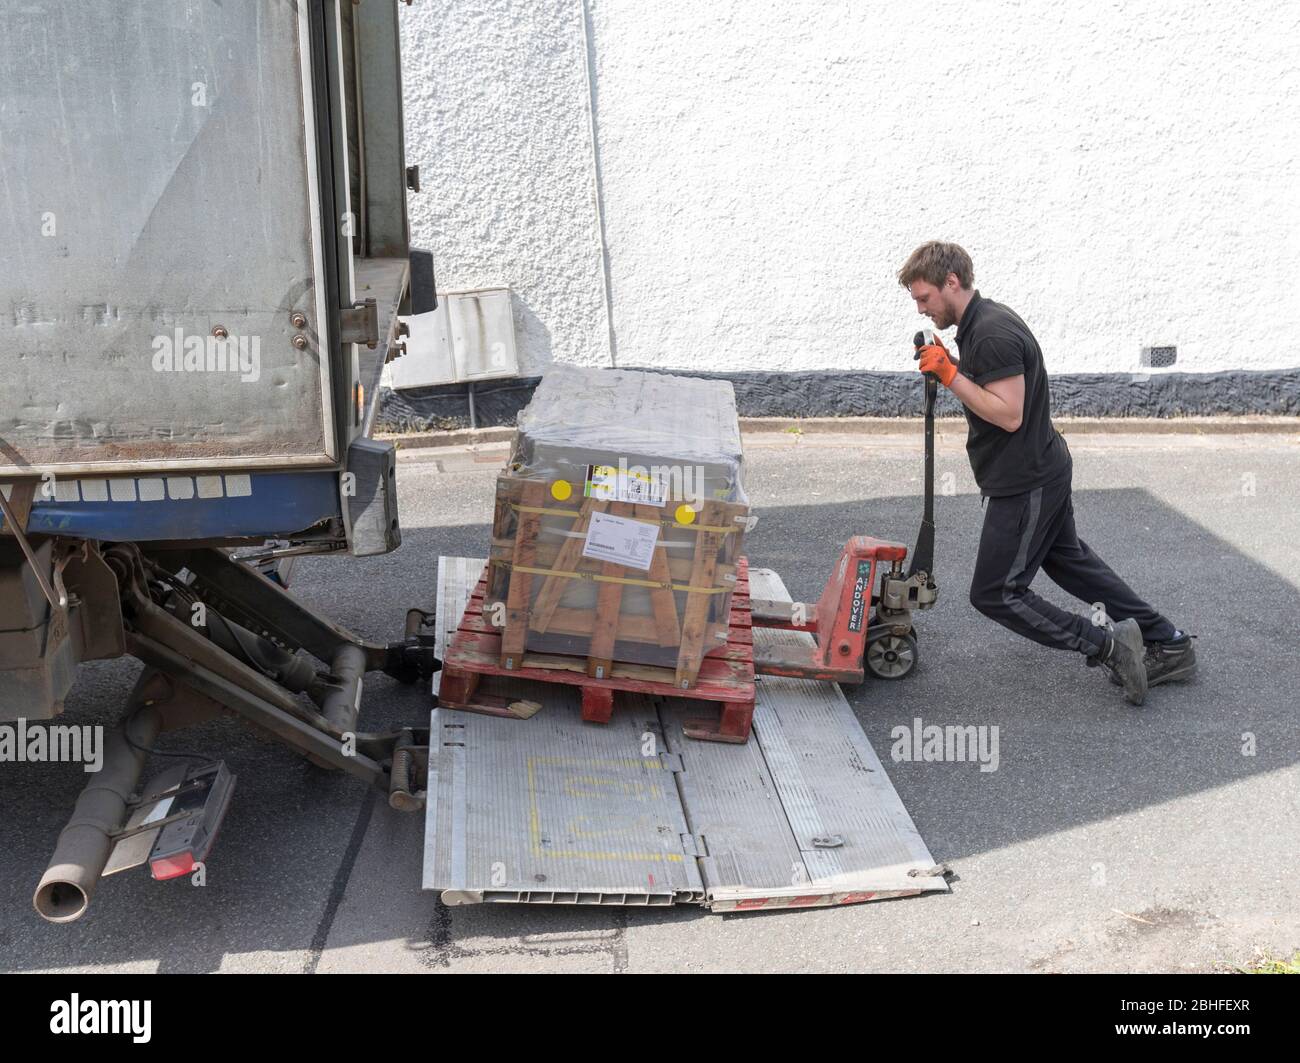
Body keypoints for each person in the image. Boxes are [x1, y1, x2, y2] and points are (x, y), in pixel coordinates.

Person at [897, 240, 1195, 705]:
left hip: (1027, 483)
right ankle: (1170, 642)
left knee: (996, 593)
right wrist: (953, 366)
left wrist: (951, 377)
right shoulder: (981, 323)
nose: (920, 309)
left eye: (924, 298)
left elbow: (1009, 413)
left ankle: (1109, 647)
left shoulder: (991, 332)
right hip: (1041, 469)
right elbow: (996, 389)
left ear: (950, 283)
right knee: (1070, 563)